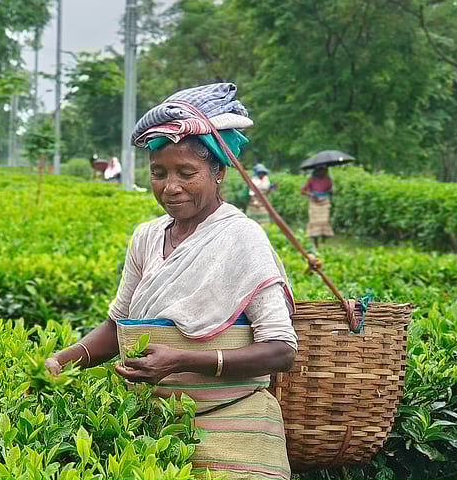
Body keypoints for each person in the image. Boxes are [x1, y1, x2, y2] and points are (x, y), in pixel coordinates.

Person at [45, 83, 297, 480]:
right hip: (155, 432)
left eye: (186, 173)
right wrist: (61, 361)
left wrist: (185, 360)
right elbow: (118, 326)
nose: (170, 186)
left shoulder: (242, 237)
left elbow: (281, 350)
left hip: (235, 427)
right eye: (158, 173)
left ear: (218, 172)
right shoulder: (145, 237)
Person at [300, 166, 334, 251]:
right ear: (317, 171)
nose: (322, 172)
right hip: (314, 203)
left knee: (324, 221)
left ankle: (323, 242)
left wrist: (331, 191)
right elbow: (303, 191)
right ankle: (316, 244)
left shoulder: (328, 179)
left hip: (325, 202)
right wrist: (311, 195)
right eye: (320, 171)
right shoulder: (311, 179)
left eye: (324, 171)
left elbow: (330, 190)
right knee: (314, 222)